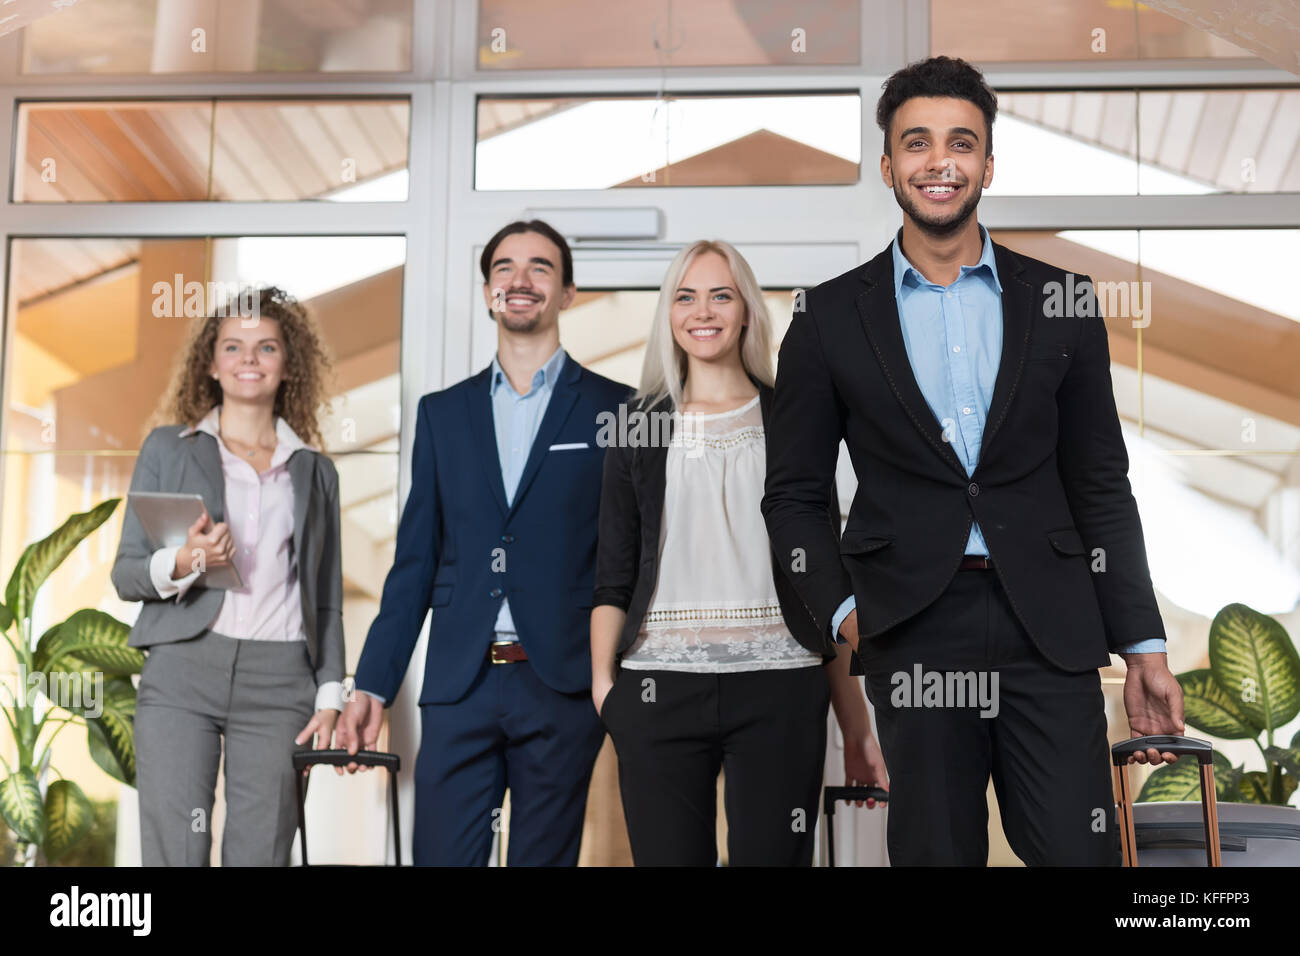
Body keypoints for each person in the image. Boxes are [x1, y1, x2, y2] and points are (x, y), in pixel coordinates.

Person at [761, 56, 1186, 867]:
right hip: (911, 627)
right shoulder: (828, 318)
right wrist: (847, 616)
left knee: (1078, 851)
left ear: (988, 164)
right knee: (936, 853)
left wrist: (1144, 645)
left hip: (1050, 627)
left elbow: (1100, 483)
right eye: (916, 143)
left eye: (961, 142)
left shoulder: (1064, 301)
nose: (939, 161)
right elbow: (794, 496)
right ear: (888, 165)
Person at [337, 220, 632, 866]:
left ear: (569, 292)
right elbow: (413, 564)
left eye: (540, 268)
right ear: (487, 292)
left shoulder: (619, 410)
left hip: (561, 686)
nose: (520, 281)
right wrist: (372, 685)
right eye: (504, 268)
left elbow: (628, 560)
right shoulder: (443, 415)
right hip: (459, 686)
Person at [592, 240, 888, 866]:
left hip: (781, 688)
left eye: (721, 294)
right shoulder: (635, 424)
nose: (704, 310)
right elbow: (613, 576)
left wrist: (857, 725)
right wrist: (604, 690)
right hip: (656, 690)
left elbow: (823, 579)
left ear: (747, 310)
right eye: (686, 296)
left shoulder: (793, 417)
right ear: (669, 314)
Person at [111, 286, 344, 866]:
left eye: (266, 347)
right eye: (233, 346)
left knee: (261, 854)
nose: (249, 359)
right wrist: (188, 562)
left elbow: (327, 597)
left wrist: (332, 690)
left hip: (281, 680)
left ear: (288, 365)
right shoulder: (168, 449)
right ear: (210, 363)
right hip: (183, 669)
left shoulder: (316, 472)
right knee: (175, 850)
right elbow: (126, 573)